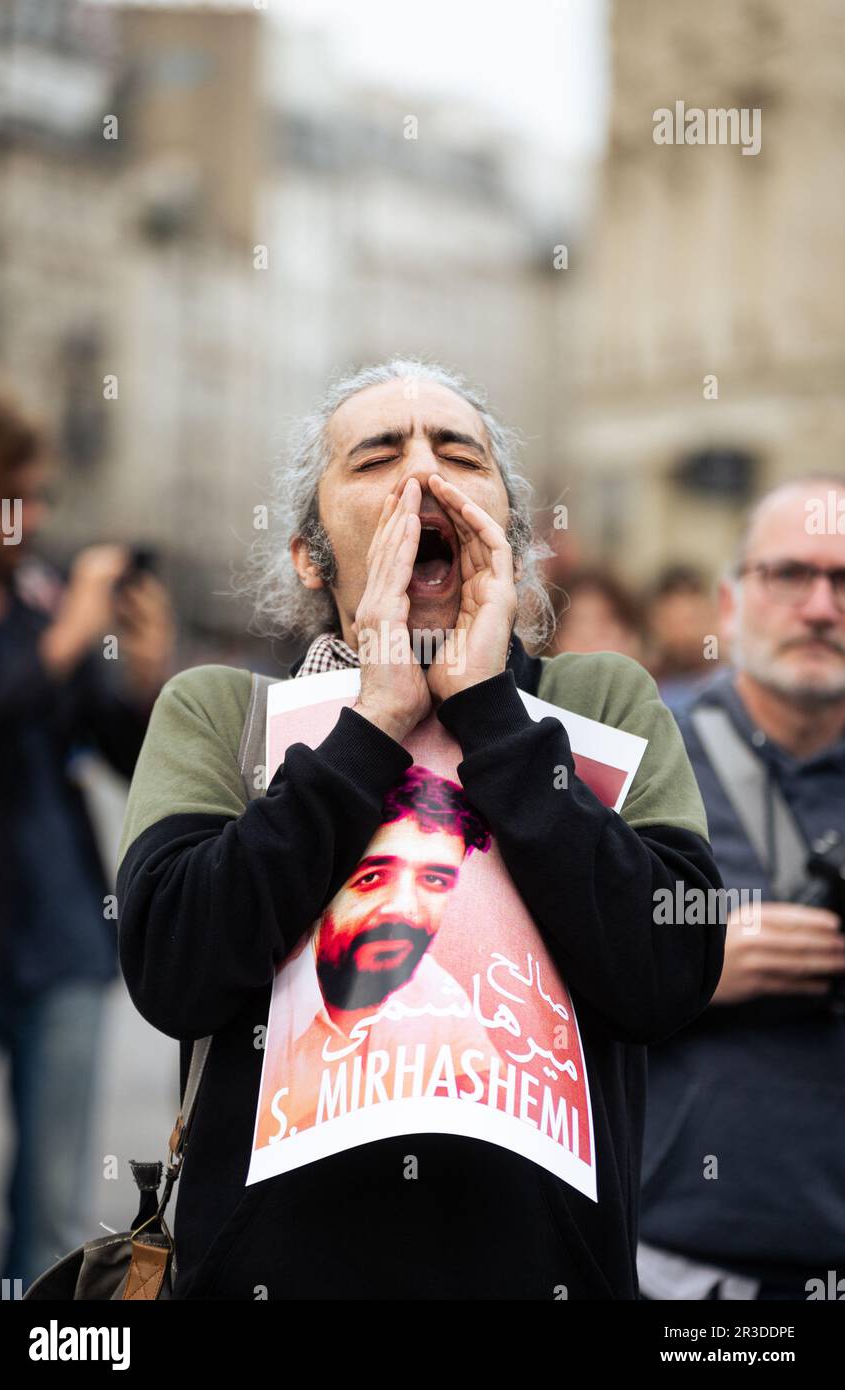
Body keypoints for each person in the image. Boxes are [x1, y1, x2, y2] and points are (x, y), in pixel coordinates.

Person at [116, 356, 725, 1300]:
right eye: (375, 458)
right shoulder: (222, 714)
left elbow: (668, 971)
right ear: (311, 556)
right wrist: (371, 727)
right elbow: (175, 966)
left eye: (458, 455)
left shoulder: (600, 699)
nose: (422, 476)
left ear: (507, 535)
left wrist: (490, 713)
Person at [0, 380, 175, 1288]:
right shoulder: (49, 624)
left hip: (57, 940)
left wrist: (139, 677)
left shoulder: (41, 601)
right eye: (23, 491)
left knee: (52, 1202)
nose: (38, 515)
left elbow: (128, 757)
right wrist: (65, 642)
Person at [639, 475, 845, 1301]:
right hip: (687, 1267)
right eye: (788, 574)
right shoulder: (638, 761)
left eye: (843, 582)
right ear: (730, 601)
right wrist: (685, 968)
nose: (821, 607)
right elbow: (529, 985)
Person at [256, 765, 500, 1140]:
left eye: (434, 880)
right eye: (372, 877)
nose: (404, 909)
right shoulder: (268, 999)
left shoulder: (438, 997)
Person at [645, 565, 721, 716]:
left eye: (692, 620)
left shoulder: (729, 685)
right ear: (654, 622)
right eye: (673, 623)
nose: (685, 635)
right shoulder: (644, 690)